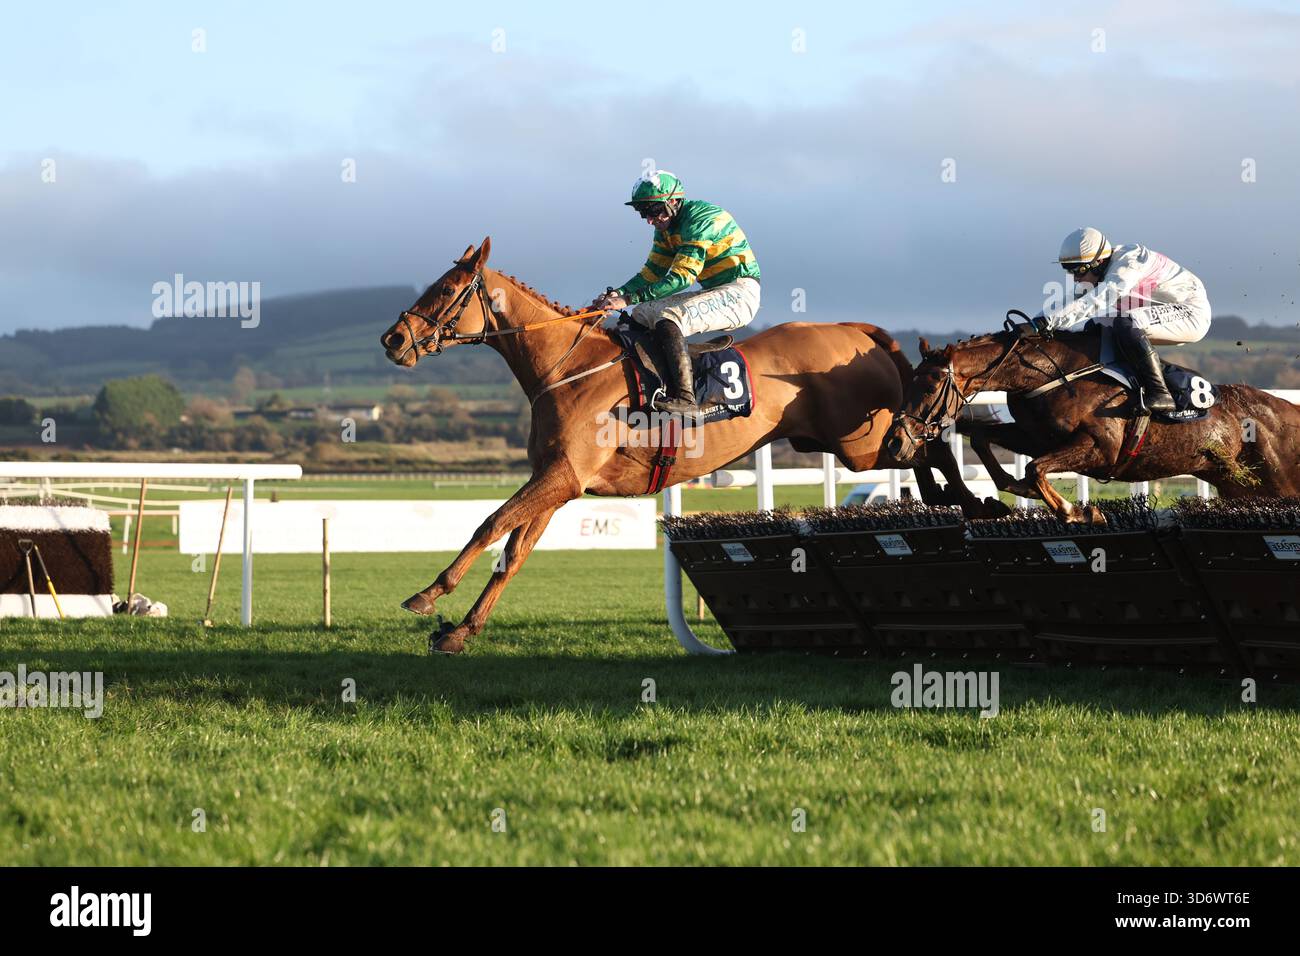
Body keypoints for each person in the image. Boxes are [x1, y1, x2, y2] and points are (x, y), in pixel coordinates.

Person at [590, 170, 761, 415]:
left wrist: (626, 299)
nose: (649, 219)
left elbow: (682, 277)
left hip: (740, 293)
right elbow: (652, 272)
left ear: (673, 201)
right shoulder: (665, 228)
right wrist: (617, 293)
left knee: (670, 318)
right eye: (642, 213)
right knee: (642, 313)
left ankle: (686, 399)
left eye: (651, 210)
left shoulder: (701, 218)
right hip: (715, 290)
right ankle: (654, 385)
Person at [1041, 227, 1211, 417]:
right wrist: (1036, 322)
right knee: (1095, 327)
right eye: (1069, 271)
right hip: (1164, 313)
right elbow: (1072, 302)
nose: (1075, 278)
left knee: (1125, 322)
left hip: (1192, 314)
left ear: (1098, 262)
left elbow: (1097, 301)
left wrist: (1047, 321)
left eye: (1078, 271)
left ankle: (1161, 394)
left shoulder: (1128, 264)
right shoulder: (1101, 269)